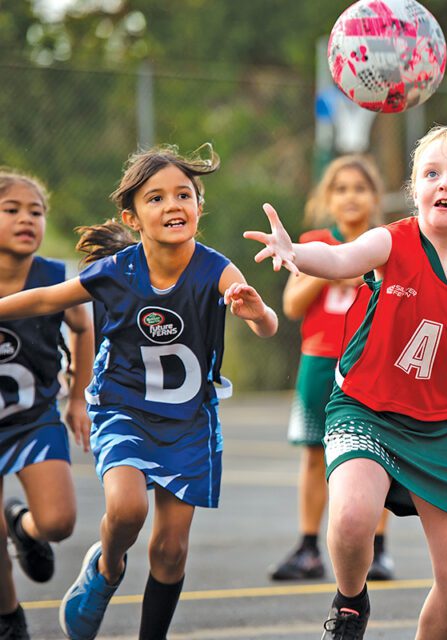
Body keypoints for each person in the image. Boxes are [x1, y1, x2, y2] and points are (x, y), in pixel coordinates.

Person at [245, 121, 447, 640]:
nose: (445, 183)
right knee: (352, 519)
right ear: (414, 190)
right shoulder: (392, 241)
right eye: (432, 173)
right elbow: (338, 258)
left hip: (439, 429)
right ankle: (351, 605)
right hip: (364, 408)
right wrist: (297, 253)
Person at [0, 145, 278, 640]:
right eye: (156, 198)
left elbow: (268, 326)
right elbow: (46, 298)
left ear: (198, 205)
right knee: (128, 510)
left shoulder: (217, 271)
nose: (173, 205)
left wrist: (255, 312)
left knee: (171, 549)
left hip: (190, 421)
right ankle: (106, 569)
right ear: (132, 217)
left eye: (183, 194)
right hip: (124, 407)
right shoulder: (116, 272)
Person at [270, 155, 394, 582]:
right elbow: (291, 304)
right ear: (328, 197)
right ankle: (308, 548)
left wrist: (359, 270)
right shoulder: (315, 240)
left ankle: (379, 550)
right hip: (320, 359)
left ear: (375, 197)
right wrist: (332, 265)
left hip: (369, 364)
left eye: (359, 188)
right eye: (340, 188)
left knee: (376, 454)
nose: (350, 196)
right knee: (313, 453)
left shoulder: (386, 242)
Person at [0, 169, 93, 639]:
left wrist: (77, 397)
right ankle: (9, 617)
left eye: (35, 212)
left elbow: (82, 326)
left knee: (59, 521)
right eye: (11, 210)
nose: (26, 219)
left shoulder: (55, 278)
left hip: (33, 418)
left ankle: (26, 526)